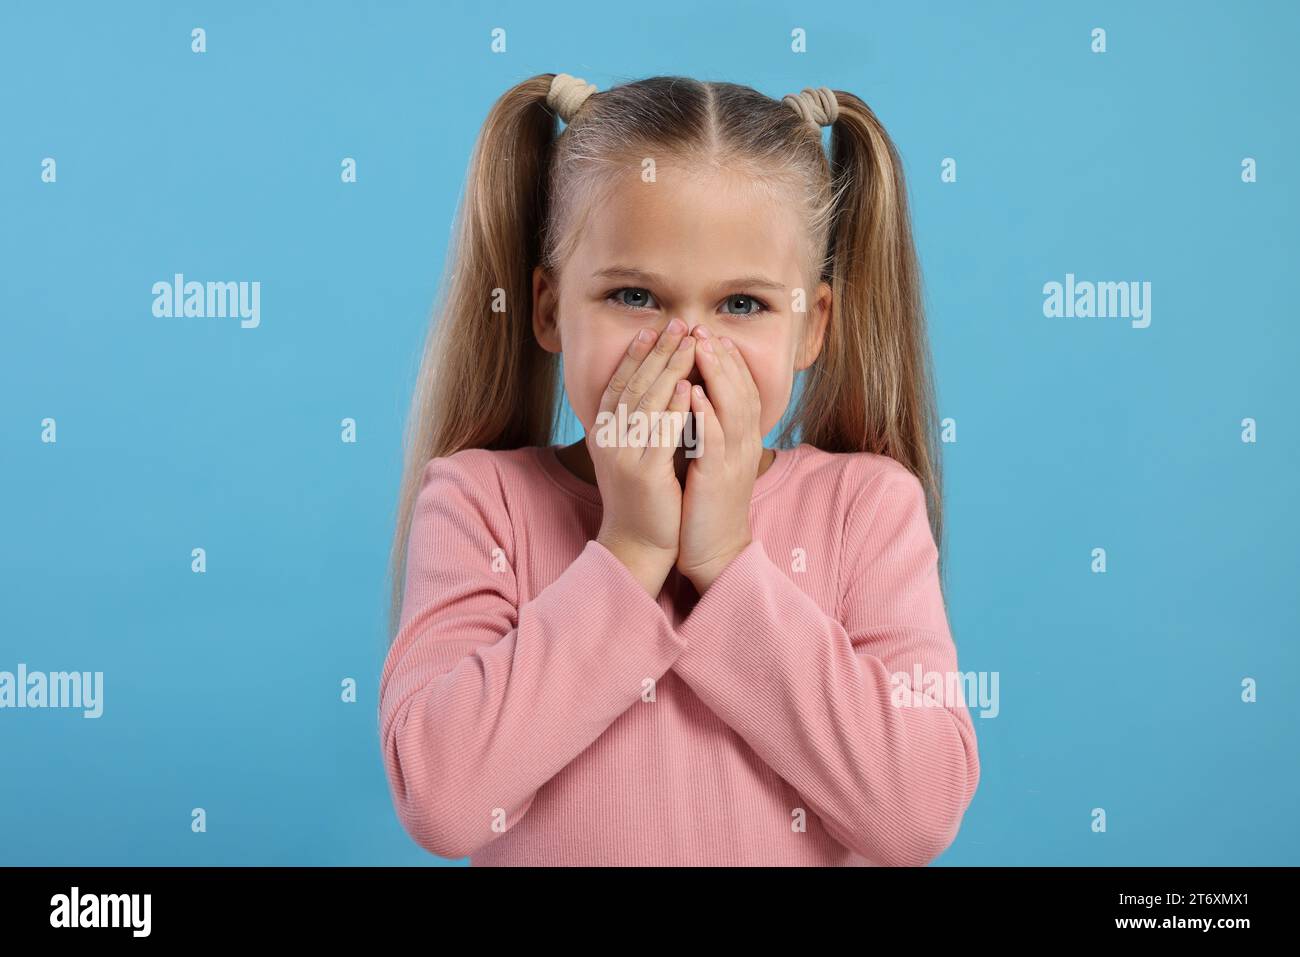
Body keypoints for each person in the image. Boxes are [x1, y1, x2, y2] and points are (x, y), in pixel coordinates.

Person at [377, 72, 980, 866]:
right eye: (635, 295)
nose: (688, 348)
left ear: (811, 327)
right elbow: (443, 800)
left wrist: (727, 562)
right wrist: (627, 554)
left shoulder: (865, 509)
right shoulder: (480, 502)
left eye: (742, 305)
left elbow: (917, 812)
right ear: (550, 307)